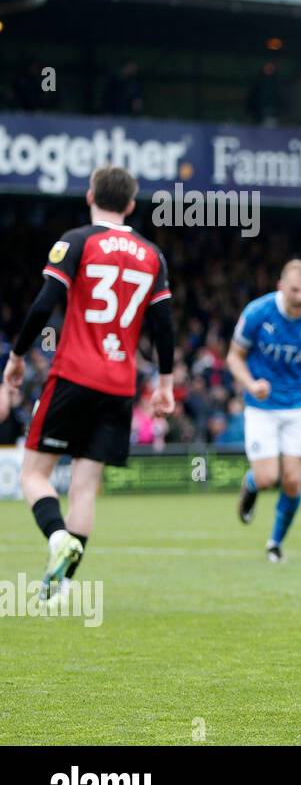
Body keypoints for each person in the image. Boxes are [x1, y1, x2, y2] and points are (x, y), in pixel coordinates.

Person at [2, 165, 175, 600]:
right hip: (121, 384)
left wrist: (17, 357)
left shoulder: (77, 241)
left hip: (75, 374)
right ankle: (62, 587)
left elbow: (45, 304)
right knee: (84, 486)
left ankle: (56, 537)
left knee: (34, 475)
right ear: (132, 205)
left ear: (89, 195)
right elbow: (164, 325)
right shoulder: (153, 255)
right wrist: (166, 383)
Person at [227, 260, 301, 562]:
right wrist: (250, 384)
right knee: (266, 478)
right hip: (262, 406)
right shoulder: (257, 313)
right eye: (295, 290)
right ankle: (250, 485)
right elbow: (234, 357)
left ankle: (275, 543)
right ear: (281, 286)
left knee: (292, 482)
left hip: (300, 407)